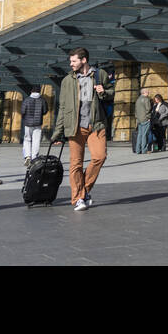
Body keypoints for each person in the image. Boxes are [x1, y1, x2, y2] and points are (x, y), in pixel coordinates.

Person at [49, 47, 112, 211]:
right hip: (75, 126)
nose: (71, 64)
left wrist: (104, 92)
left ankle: (83, 191)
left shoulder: (100, 74)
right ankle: (78, 199)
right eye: (70, 61)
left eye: (74, 61)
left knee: (100, 156)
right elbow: (62, 107)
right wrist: (57, 132)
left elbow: (112, 93)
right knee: (75, 164)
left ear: (84, 60)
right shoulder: (67, 80)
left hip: (96, 125)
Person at [21, 85, 48, 165]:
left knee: (27, 140)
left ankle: (27, 156)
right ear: (39, 91)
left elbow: (22, 111)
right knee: (36, 141)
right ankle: (34, 157)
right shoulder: (42, 100)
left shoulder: (27, 100)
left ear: (31, 91)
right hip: (38, 123)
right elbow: (45, 111)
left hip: (28, 123)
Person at [133, 87, 153, 154]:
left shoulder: (138, 100)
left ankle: (138, 150)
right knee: (144, 135)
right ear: (144, 92)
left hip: (139, 119)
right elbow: (148, 109)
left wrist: (137, 118)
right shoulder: (146, 99)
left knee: (140, 135)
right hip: (145, 119)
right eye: (147, 92)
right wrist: (148, 117)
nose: (148, 93)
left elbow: (135, 111)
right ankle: (144, 150)